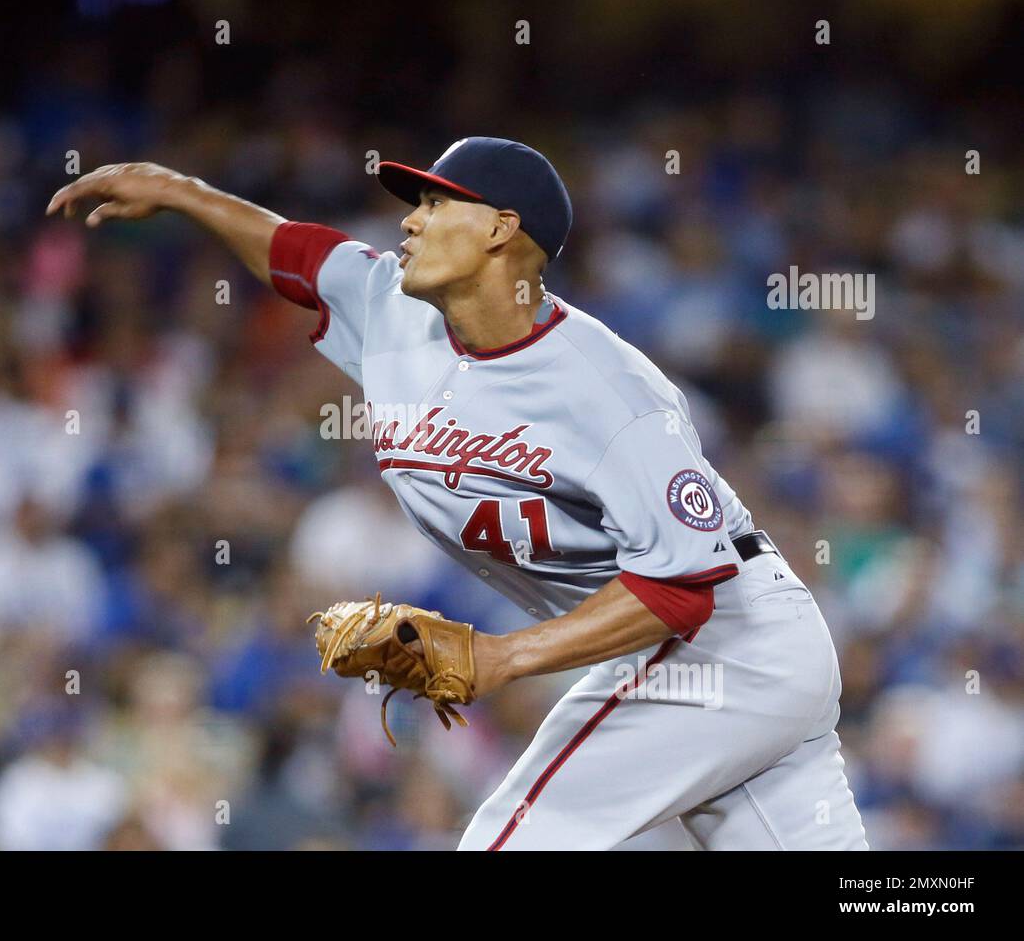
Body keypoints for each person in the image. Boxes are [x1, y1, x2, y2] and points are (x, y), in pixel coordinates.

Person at [46, 137, 868, 850]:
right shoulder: (394, 312)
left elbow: (685, 588)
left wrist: (503, 657)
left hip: (727, 645)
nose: (410, 221)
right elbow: (299, 257)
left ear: (501, 230)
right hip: (721, 661)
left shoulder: (610, 392)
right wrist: (181, 191)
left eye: (436, 204)